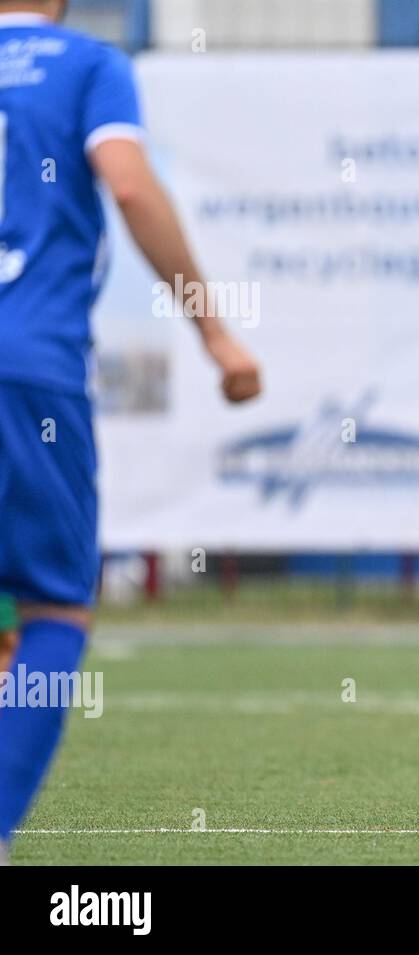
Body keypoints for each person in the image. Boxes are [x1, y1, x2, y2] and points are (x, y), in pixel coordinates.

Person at [0, 1, 261, 864]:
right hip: (29, 369)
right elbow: (130, 182)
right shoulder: (86, 66)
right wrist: (212, 329)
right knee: (53, 607)